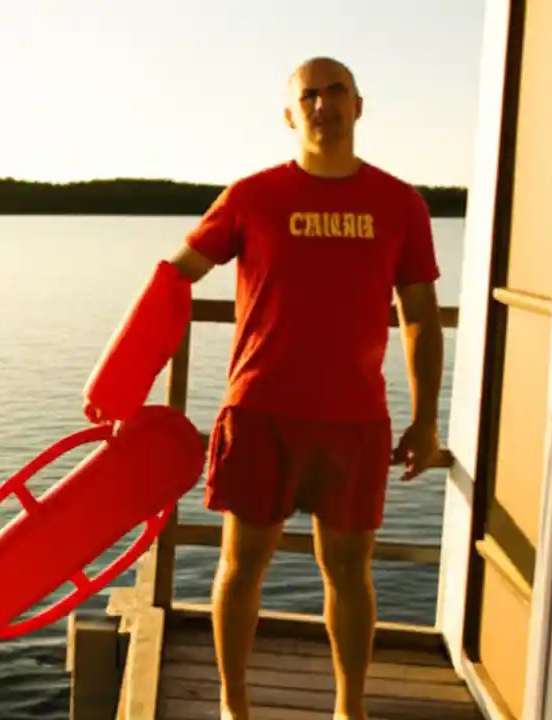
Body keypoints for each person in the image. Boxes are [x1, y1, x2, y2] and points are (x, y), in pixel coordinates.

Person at [165, 57, 445, 719]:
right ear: (291, 114)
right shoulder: (252, 196)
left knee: (349, 572)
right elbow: (175, 277)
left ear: (358, 105)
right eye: (309, 96)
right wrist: (124, 372)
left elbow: (422, 318)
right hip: (260, 411)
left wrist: (426, 418)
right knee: (242, 567)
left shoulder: (400, 202)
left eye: (336, 92)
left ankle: (351, 709)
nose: (323, 105)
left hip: (353, 421)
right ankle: (236, 707)